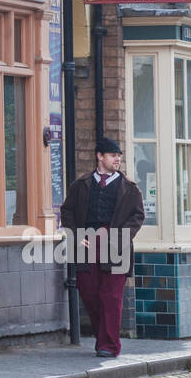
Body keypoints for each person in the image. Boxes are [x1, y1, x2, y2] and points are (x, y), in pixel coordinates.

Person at [60, 138, 145, 358]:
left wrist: (119, 237)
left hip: (117, 245)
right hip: (86, 243)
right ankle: (103, 336)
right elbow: (67, 212)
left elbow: (137, 216)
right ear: (100, 156)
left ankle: (109, 345)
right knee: (88, 292)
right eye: (112, 155)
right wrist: (77, 236)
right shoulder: (81, 185)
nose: (117, 159)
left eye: (119, 155)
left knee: (112, 296)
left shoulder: (130, 189)